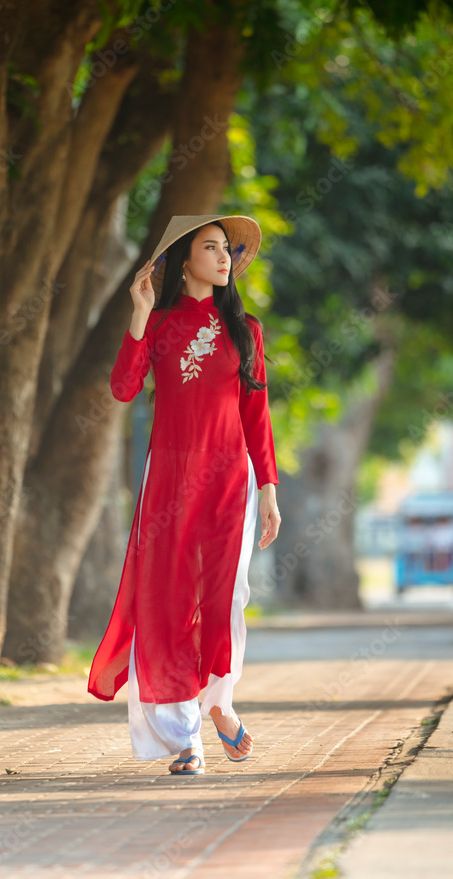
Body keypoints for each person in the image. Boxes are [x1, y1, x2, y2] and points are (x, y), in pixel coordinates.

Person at [87, 214, 281, 777]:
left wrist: (268, 490)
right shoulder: (162, 324)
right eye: (211, 247)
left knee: (225, 599)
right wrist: (140, 316)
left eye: (228, 249)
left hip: (229, 481)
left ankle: (218, 700)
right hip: (170, 481)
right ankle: (184, 737)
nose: (225, 258)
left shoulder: (246, 329)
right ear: (184, 259)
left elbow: (256, 416)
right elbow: (124, 388)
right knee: (168, 601)